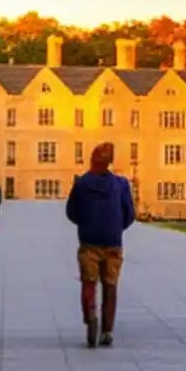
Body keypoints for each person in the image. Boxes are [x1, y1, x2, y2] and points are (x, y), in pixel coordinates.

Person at [65, 142, 135, 348]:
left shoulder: (81, 183)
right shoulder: (121, 185)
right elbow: (130, 214)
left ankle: (91, 317)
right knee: (110, 285)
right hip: (113, 241)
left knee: (89, 282)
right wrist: (115, 227)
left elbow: (71, 212)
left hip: (88, 241)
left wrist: (87, 224)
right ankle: (107, 330)